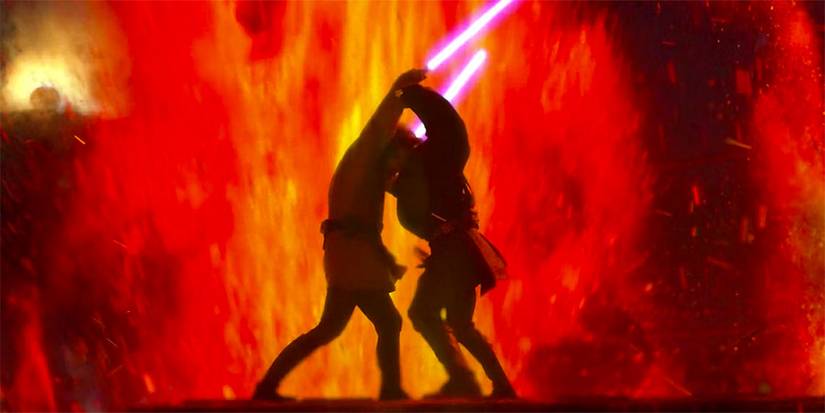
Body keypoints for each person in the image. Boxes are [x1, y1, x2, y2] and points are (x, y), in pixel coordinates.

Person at [252, 69, 428, 401]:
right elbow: (378, 128)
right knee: (386, 322)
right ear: (388, 149)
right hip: (351, 258)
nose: (396, 170)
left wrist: (387, 259)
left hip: (350, 257)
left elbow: (377, 214)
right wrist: (398, 91)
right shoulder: (363, 159)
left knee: (331, 329)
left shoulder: (370, 174)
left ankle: (267, 386)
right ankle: (391, 390)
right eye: (397, 161)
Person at [388, 85, 516, 399]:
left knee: (424, 313)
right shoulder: (411, 178)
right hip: (456, 251)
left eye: (390, 155)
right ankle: (500, 385)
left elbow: (450, 131)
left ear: (402, 147)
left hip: (457, 250)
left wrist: (411, 95)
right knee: (460, 323)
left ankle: (462, 379)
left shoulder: (433, 160)